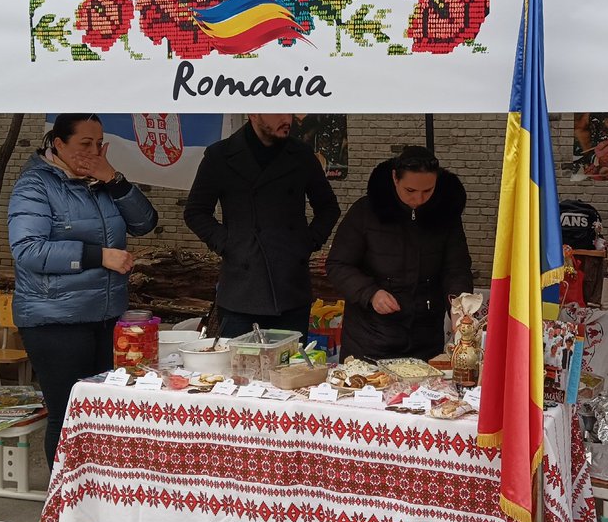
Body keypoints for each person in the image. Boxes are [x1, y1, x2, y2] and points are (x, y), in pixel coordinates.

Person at [8, 114, 157, 470]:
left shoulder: (101, 183)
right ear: (58, 144)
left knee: (104, 414)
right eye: (83, 145)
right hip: (55, 320)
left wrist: (114, 180)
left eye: (98, 144)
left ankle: (99, 500)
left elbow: (145, 222)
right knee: (68, 414)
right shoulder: (35, 185)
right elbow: (28, 250)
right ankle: (65, 506)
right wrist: (98, 256)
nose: (92, 152)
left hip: (106, 317)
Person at [184, 114, 340, 340]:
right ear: (254, 113)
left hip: (290, 289)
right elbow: (195, 212)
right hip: (241, 290)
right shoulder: (220, 155)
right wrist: (228, 244)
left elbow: (328, 207)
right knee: (239, 372)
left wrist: (307, 242)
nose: (287, 118)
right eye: (278, 111)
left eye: (289, 111)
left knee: (288, 371)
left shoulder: (301, 155)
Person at [326, 146, 472, 361]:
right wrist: (371, 293)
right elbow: (338, 264)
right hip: (369, 338)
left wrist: (458, 304)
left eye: (428, 191)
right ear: (395, 178)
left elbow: (456, 269)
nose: (419, 199)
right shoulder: (366, 212)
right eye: (410, 191)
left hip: (425, 336)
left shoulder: (446, 215)